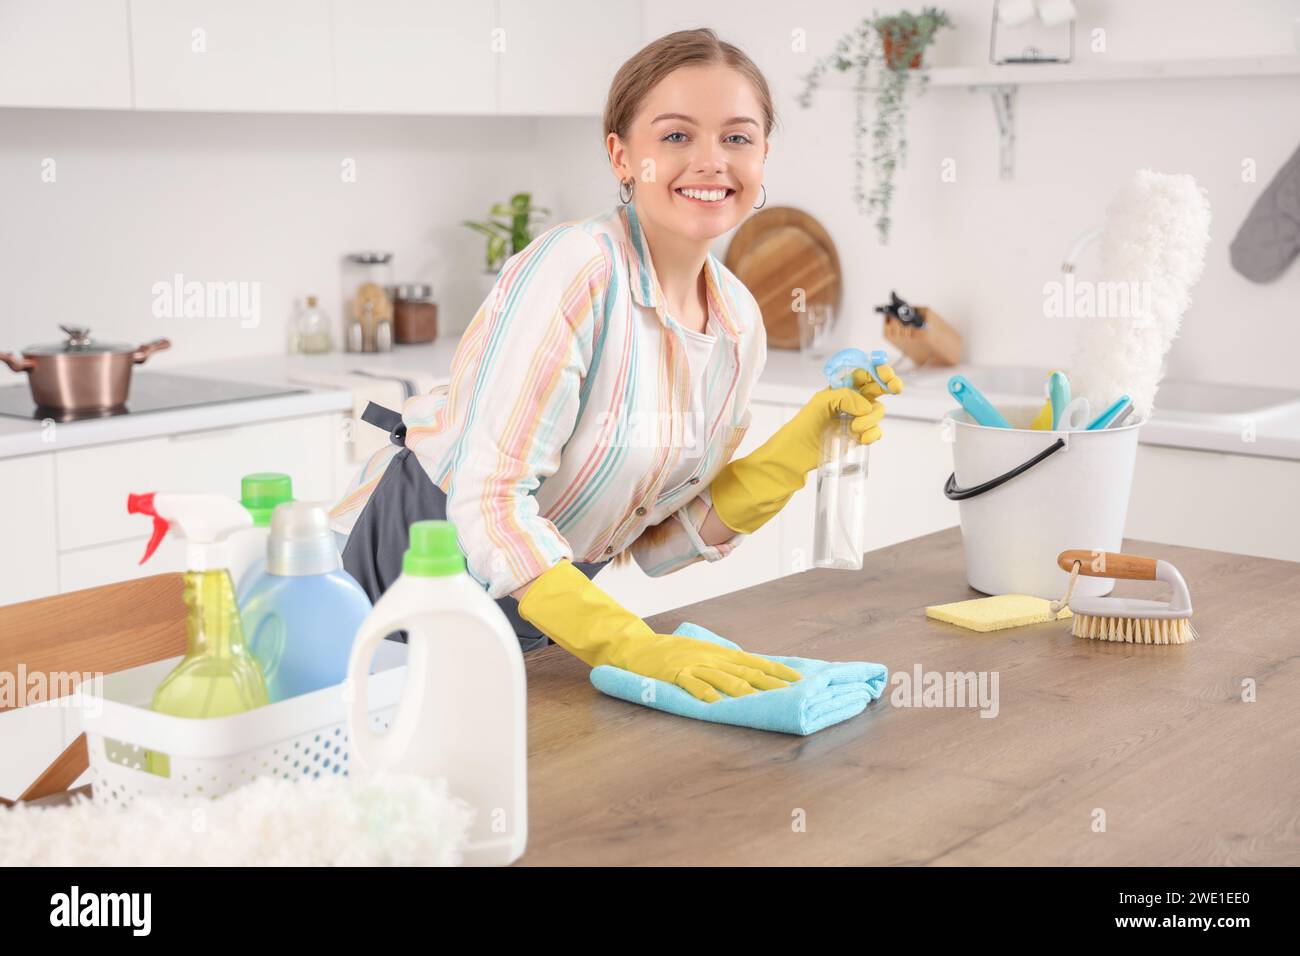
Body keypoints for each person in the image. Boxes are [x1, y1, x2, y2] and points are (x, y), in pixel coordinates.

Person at [329, 28, 901, 703]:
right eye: (677, 137)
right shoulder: (578, 270)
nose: (711, 161)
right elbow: (489, 505)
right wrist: (630, 644)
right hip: (387, 600)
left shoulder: (739, 323)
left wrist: (800, 447)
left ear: (764, 156)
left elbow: (659, 543)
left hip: (539, 617)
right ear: (622, 157)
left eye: (738, 138)